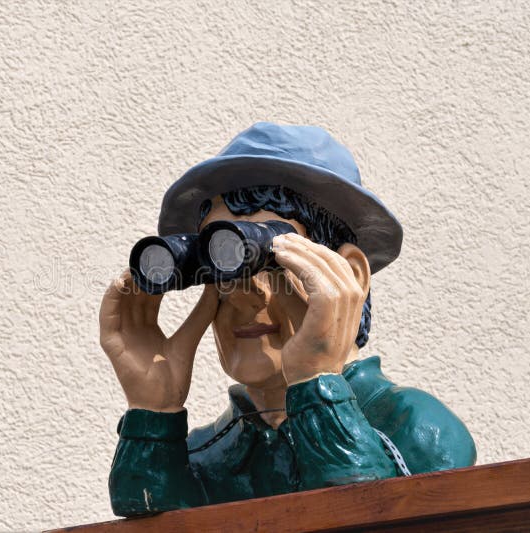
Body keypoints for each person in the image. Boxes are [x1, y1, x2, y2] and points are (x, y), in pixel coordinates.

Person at [99, 123, 476, 516]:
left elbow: (365, 517)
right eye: (220, 268)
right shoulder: (196, 457)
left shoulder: (417, 429)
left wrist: (316, 385)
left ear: (350, 275)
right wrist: (153, 414)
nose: (244, 292)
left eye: (271, 260)